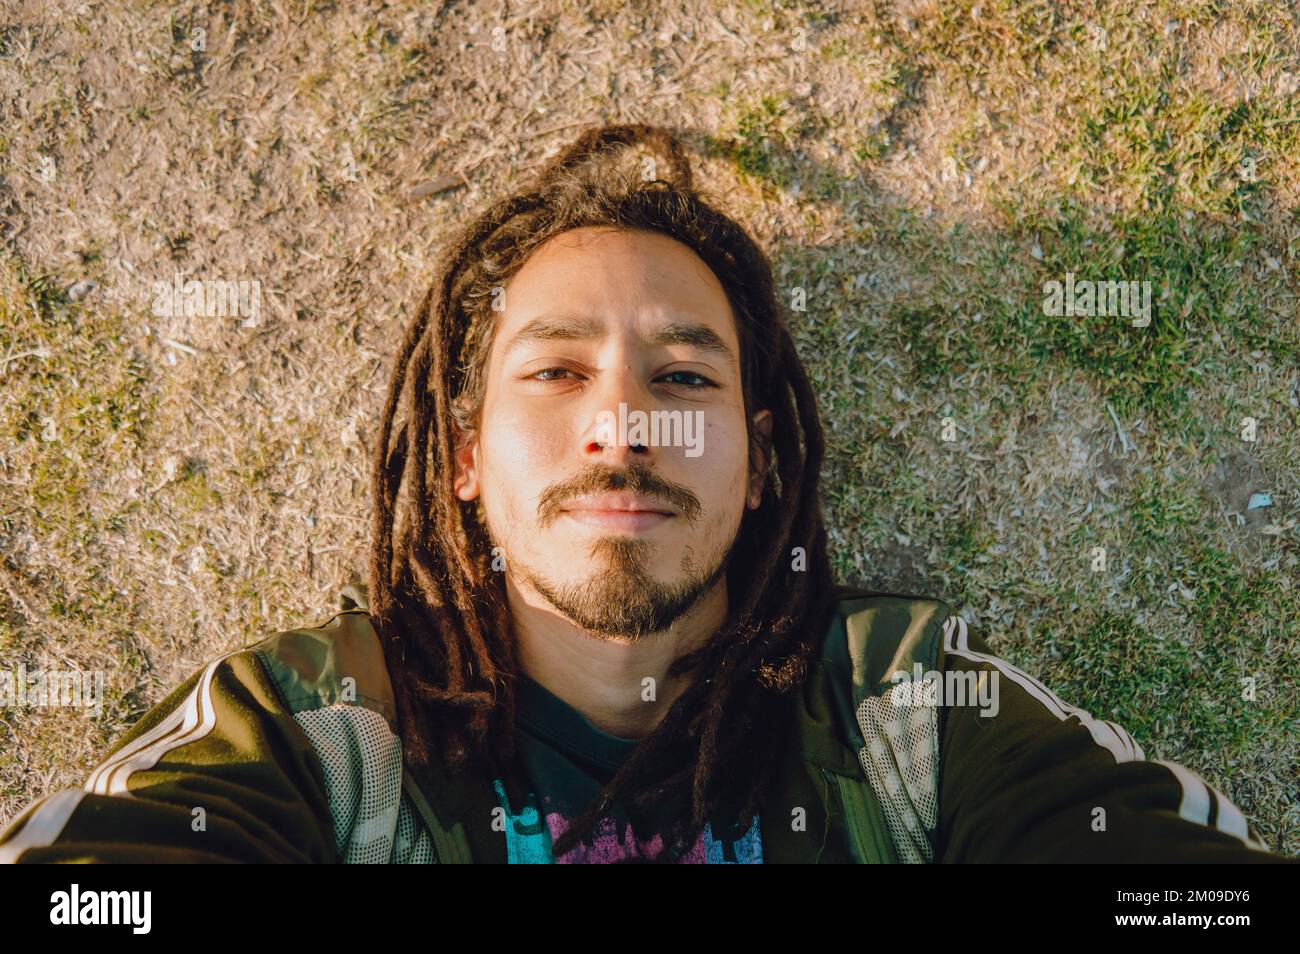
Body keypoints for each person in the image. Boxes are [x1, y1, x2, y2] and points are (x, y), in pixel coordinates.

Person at [0, 124, 1290, 863]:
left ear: (762, 456)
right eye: (556, 371)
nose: (622, 424)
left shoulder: (909, 712)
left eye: (684, 372)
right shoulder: (314, 727)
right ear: (459, 455)